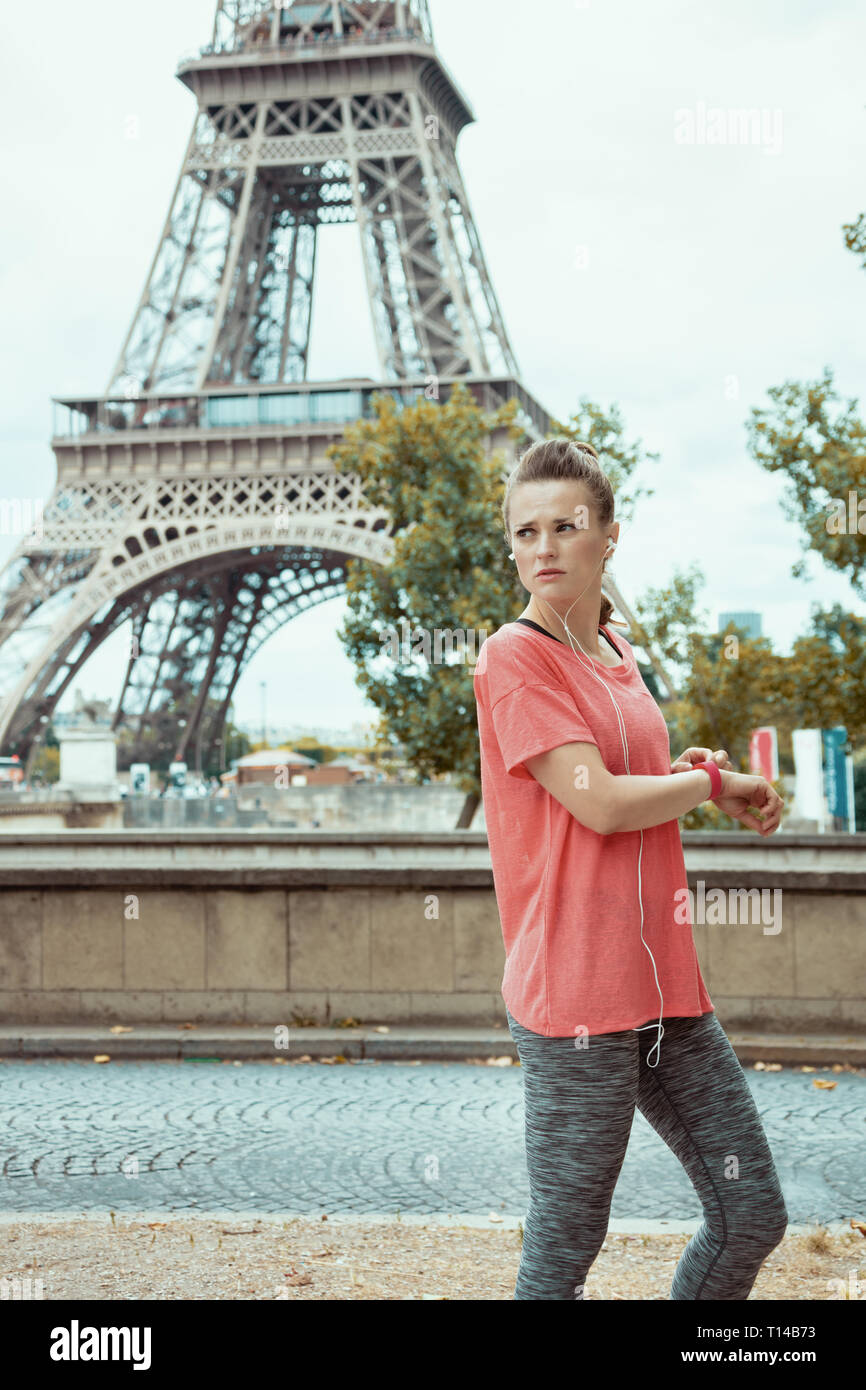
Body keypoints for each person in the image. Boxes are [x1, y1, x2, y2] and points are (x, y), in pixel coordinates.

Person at [473, 437, 788, 1300]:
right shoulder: (514, 656)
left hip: (665, 991)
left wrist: (690, 776)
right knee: (566, 1249)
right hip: (575, 995)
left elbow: (628, 783)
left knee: (752, 1214)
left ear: (608, 536)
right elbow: (602, 806)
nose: (543, 548)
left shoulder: (615, 650)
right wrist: (712, 781)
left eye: (565, 527)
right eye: (525, 531)